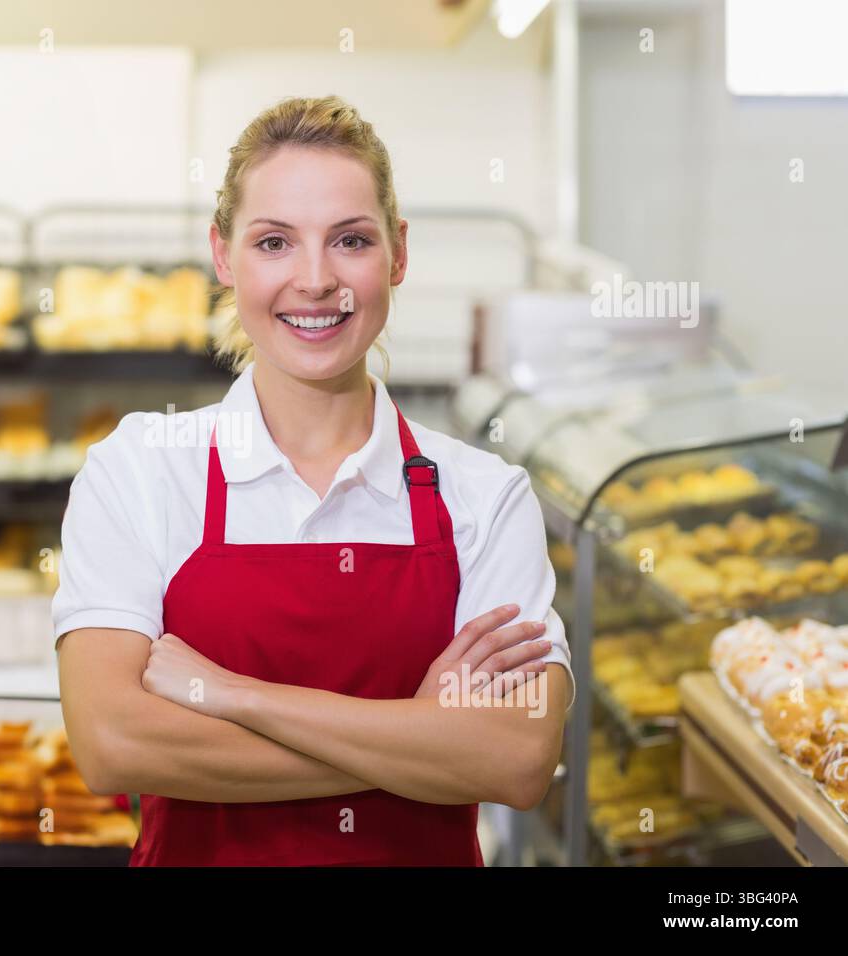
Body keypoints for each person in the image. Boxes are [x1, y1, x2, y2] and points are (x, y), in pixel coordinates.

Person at [53, 95, 573, 866]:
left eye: (351, 240)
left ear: (397, 253)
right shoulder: (138, 470)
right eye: (273, 242)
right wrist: (418, 734)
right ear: (224, 256)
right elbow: (112, 742)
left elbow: (517, 759)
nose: (315, 279)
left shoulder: (485, 498)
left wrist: (236, 697)